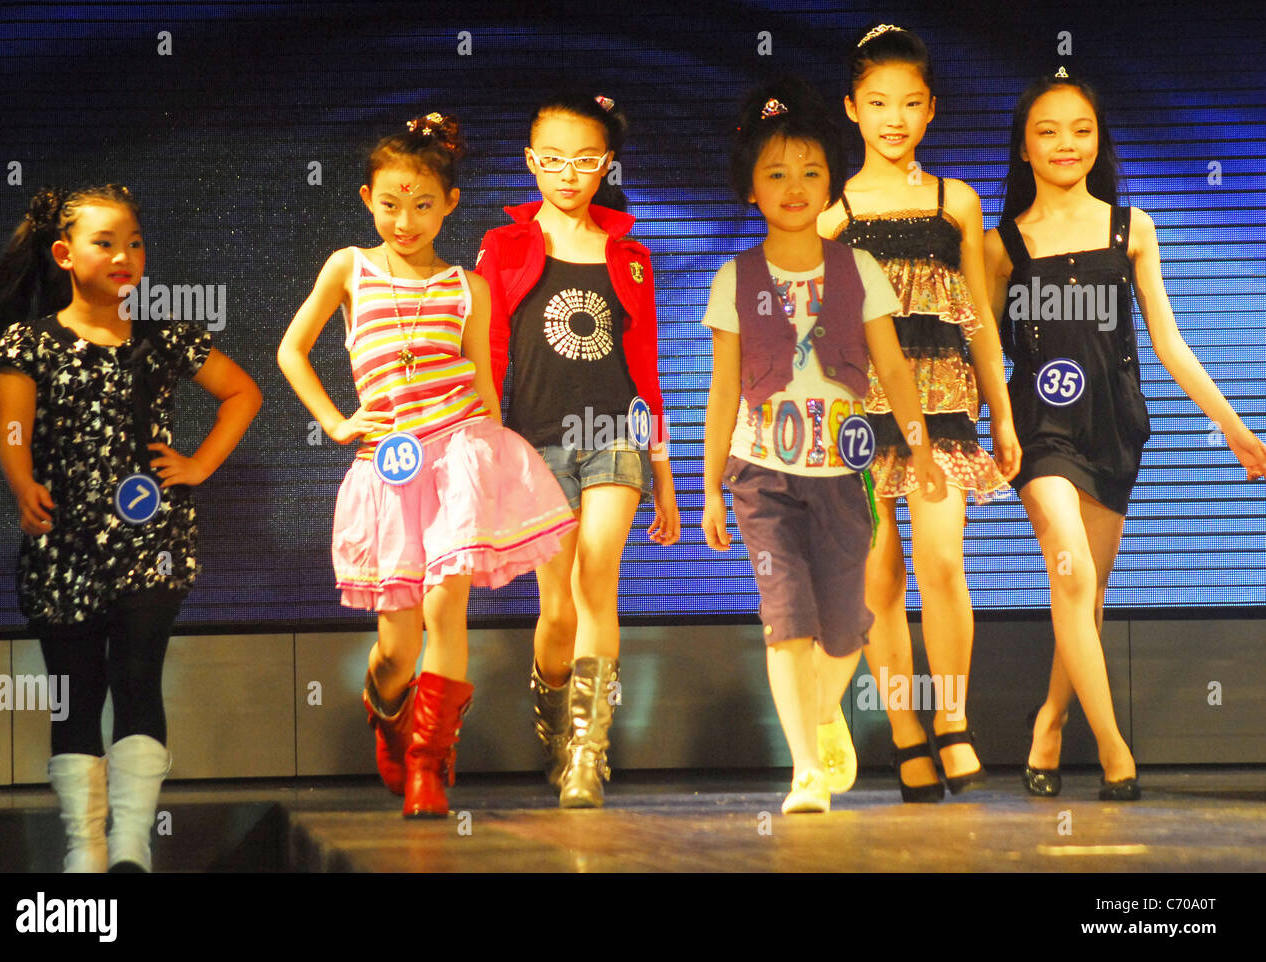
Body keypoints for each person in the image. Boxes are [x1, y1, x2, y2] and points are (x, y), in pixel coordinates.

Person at [278, 114, 576, 817]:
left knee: (448, 609)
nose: (404, 220)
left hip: (460, 454)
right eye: (389, 204)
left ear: (448, 204)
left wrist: (496, 462)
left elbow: (481, 381)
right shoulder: (348, 266)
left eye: (421, 205)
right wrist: (336, 421)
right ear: (366, 200)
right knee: (395, 644)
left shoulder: (467, 286)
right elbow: (293, 349)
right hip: (390, 464)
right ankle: (386, 708)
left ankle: (428, 763)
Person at [984, 70, 1266, 800]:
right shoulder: (1001, 245)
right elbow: (980, 349)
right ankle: (1115, 753)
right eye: (1047, 131)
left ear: (1098, 138)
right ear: (1022, 147)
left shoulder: (1130, 228)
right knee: (1071, 567)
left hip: (1115, 427)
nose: (1066, 143)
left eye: (1080, 129)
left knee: (1087, 591)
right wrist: (984, 434)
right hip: (1041, 429)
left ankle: (1048, 724)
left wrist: (1234, 428)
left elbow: (1168, 342)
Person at [0, 184, 262, 870]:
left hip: (151, 538)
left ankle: (132, 845)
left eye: (133, 242)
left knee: (138, 677)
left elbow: (242, 393)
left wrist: (197, 465)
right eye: (105, 243)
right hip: (62, 542)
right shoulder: (31, 341)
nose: (124, 255)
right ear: (64, 255)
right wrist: (22, 483)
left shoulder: (165, 335)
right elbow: (12, 427)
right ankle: (85, 849)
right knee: (75, 690)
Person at [702, 77, 946, 814]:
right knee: (788, 620)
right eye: (775, 173)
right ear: (750, 188)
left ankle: (819, 716)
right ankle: (806, 771)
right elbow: (719, 393)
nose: (794, 186)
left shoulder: (858, 270)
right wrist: (709, 486)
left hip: (844, 474)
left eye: (810, 171)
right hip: (763, 476)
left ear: (831, 181)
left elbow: (896, 368)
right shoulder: (734, 278)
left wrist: (923, 447)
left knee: (845, 629)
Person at [818, 24, 1021, 801]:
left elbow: (975, 315)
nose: (893, 118)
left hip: (942, 410)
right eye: (877, 103)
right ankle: (905, 732)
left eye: (909, 103)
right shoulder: (833, 214)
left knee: (941, 562)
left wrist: (1000, 412)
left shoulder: (956, 203)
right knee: (879, 577)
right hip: (860, 420)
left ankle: (953, 723)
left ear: (932, 109)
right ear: (852, 108)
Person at [475, 92, 680, 808]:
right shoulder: (501, 247)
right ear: (532, 162)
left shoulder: (629, 255)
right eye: (554, 159)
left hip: (613, 435)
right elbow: (487, 351)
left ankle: (589, 756)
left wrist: (664, 470)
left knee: (599, 573)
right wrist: (489, 444)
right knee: (556, 610)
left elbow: (646, 367)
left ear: (606, 165)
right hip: (531, 439)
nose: (569, 173)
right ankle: (555, 723)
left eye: (585, 160)